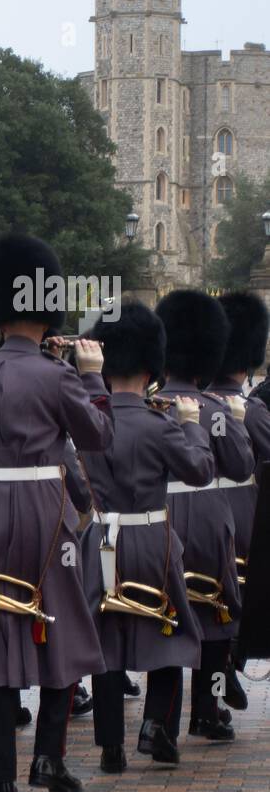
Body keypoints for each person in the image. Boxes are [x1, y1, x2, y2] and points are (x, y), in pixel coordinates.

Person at [0, 234, 113, 792]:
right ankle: (48, 756)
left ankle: (0, 778)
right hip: (47, 511)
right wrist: (91, 375)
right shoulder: (56, 375)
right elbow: (99, 438)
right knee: (64, 629)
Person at [77, 302, 212, 771]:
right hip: (152, 539)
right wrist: (193, 426)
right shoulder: (161, 424)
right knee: (169, 630)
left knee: (106, 640)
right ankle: (156, 727)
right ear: (152, 366)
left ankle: (111, 747)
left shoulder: (90, 422)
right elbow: (199, 471)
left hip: (101, 541)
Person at [156, 290, 255, 742]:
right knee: (216, 614)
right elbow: (240, 466)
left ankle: (158, 721)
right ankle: (206, 712)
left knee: (166, 614)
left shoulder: (147, 408)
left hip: (158, 519)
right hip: (209, 519)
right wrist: (235, 421)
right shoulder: (215, 410)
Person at [209, 292, 270, 711]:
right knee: (236, 601)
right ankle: (224, 674)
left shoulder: (182, 403)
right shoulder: (248, 410)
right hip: (244, 515)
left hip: (190, 519)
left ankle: (207, 704)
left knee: (207, 606)